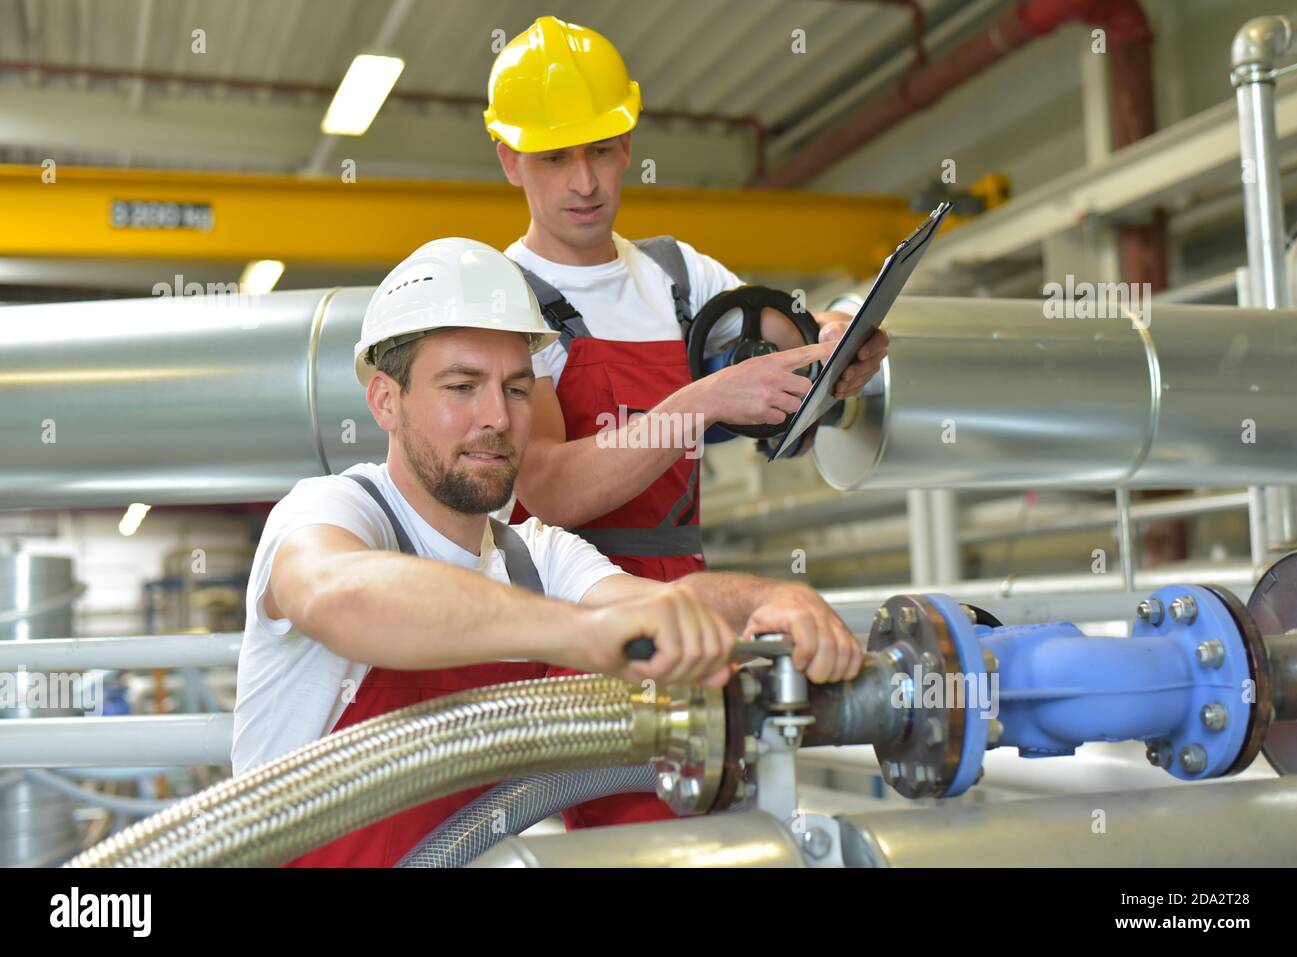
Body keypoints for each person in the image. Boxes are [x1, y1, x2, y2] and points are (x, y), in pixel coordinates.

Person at [231, 238, 863, 867]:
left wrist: (776, 599)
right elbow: (338, 595)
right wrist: (582, 633)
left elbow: (666, 605)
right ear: (385, 402)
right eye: (461, 386)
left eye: (514, 389)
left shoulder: (533, 556)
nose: (497, 418)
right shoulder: (333, 513)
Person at [484, 15, 889, 828]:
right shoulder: (501, 296)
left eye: (601, 149)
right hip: (571, 626)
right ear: (509, 160)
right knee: (611, 834)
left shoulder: (680, 275)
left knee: (707, 826)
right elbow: (553, 487)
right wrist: (698, 404)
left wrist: (838, 345)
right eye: (556, 157)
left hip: (695, 607)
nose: (586, 181)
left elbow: (788, 350)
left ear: (628, 141)